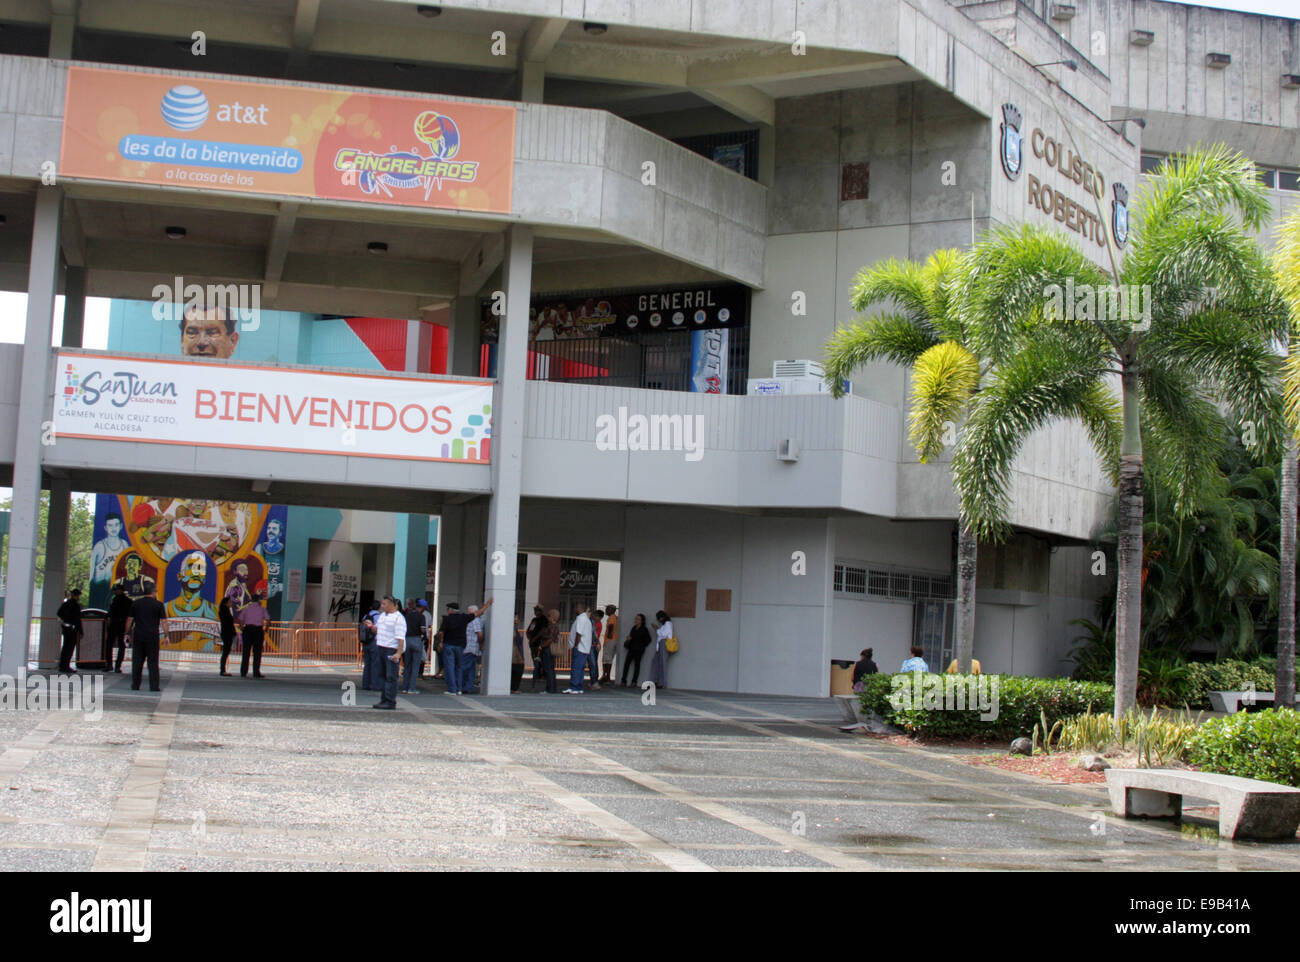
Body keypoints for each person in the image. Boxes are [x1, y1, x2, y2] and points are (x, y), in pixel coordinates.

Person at [125, 591, 167, 692]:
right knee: (153, 662)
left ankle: (135, 685)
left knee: (137, 661)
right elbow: (164, 621)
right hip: (152, 636)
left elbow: (130, 620)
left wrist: (126, 633)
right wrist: (166, 635)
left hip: (139, 635)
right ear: (153, 592)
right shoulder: (159, 605)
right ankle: (154, 686)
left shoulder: (136, 603)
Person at [372, 595, 406, 709]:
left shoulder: (398, 618)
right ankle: (384, 698)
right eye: (382, 604)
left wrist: (398, 653)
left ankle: (390, 700)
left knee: (391, 676)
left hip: (391, 648)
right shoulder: (382, 616)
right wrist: (372, 627)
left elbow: (401, 637)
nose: (382, 606)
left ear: (392, 605)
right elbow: (378, 630)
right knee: (382, 674)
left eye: (384, 604)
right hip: (381, 646)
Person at [461, 600, 495, 694]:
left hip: (470, 648)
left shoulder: (474, 620)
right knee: (471, 669)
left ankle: (462, 686)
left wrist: (481, 644)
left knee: (464, 668)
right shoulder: (479, 620)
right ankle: (468, 687)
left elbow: (479, 634)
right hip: (473, 649)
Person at [436, 602, 470, 694]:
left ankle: (452, 689)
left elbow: (440, 633)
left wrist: (440, 642)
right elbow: (476, 614)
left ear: (450, 610)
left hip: (449, 645)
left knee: (449, 667)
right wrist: (487, 605)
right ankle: (459, 688)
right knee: (459, 667)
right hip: (460, 645)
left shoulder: (447, 619)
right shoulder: (464, 618)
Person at [237, 588, 269, 678]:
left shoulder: (246, 609)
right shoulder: (262, 609)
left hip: (248, 630)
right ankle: (256, 672)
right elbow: (267, 620)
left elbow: (240, 620)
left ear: (251, 600)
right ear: (259, 600)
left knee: (246, 652)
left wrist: (242, 628)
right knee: (257, 652)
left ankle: (243, 672)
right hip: (258, 631)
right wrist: (265, 629)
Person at [564, 602, 593, 694]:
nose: (574, 609)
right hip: (585, 648)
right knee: (580, 668)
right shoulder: (586, 619)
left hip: (579, 647)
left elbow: (578, 633)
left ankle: (574, 687)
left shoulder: (581, 619)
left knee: (576, 668)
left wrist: (575, 645)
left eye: (575, 607)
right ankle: (579, 687)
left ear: (579, 608)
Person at [400, 598, 426, 694]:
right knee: (415, 665)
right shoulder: (421, 616)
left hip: (407, 640)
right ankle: (412, 688)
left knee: (407, 665)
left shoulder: (407, 616)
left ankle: (404, 687)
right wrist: (425, 636)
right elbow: (423, 630)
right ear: (422, 608)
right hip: (416, 640)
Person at [106, 584, 132, 674]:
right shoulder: (127, 601)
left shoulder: (116, 600)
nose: (115, 592)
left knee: (110, 644)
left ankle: (110, 665)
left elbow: (110, 613)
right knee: (120, 645)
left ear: (121, 590)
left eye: (116, 590)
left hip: (116, 624)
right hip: (121, 625)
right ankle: (116, 666)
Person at [56, 588, 84, 674]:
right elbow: (78, 619)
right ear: (76, 596)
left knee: (65, 647)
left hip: (66, 627)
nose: (78, 597)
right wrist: (81, 631)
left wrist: (65, 620)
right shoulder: (75, 605)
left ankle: (62, 665)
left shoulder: (66, 603)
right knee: (70, 648)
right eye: (78, 596)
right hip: (72, 629)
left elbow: (59, 613)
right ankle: (66, 666)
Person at [620, 613, 651, 687]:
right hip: (631, 648)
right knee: (626, 664)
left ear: (642, 621)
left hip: (639, 649)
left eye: (638, 619)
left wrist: (642, 645)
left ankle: (634, 681)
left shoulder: (644, 629)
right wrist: (629, 639)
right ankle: (623, 680)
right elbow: (631, 636)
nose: (636, 620)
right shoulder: (634, 628)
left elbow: (648, 639)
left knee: (637, 665)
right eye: (636, 619)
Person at [650, 611, 673, 690]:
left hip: (664, 643)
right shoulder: (664, 625)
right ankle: (654, 681)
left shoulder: (668, 624)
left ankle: (662, 682)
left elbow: (664, 634)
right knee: (655, 662)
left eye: (660, 618)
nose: (659, 620)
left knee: (663, 663)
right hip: (660, 644)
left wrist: (656, 629)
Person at [360, 603, 380, 691]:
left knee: (367, 664)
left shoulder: (365, 616)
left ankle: (365, 684)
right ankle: (374, 685)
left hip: (366, 642)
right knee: (375, 664)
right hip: (374, 641)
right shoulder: (379, 616)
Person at [526, 604, 547, 691]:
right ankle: (537, 674)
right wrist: (529, 635)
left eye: (537, 610)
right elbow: (530, 629)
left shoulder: (544, 619)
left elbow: (543, 631)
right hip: (533, 643)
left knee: (540, 660)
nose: (535, 612)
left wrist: (535, 638)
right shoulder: (534, 620)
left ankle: (542, 675)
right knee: (535, 659)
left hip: (539, 643)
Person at [541, 609, 561, 694]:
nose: (547, 617)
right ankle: (552, 688)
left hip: (548, 648)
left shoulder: (552, 626)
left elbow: (550, 638)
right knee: (550, 669)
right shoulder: (554, 626)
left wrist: (543, 645)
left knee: (548, 669)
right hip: (550, 648)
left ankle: (550, 688)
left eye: (549, 616)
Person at [218, 596, 238, 677]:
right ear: (226, 603)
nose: (231, 603)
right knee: (225, 652)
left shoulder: (223, 611)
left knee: (226, 652)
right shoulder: (225, 611)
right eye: (230, 601)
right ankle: (223, 670)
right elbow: (229, 623)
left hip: (226, 632)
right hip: (227, 633)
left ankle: (223, 669)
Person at [599, 604, 619, 685]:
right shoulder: (615, 617)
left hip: (610, 640)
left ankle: (606, 677)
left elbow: (611, 626)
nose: (606, 610)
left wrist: (609, 635)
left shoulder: (611, 617)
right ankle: (606, 676)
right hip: (614, 639)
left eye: (607, 609)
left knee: (607, 659)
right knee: (608, 658)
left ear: (611, 610)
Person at [588, 608, 604, 690]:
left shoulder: (597, 624)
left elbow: (595, 635)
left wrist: (597, 643)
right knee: (593, 664)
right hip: (593, 645)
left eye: (595, 615)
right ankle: (593, 681)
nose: (593, 616)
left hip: (594, 645)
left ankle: (594, 681)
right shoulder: (595, 623)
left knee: (593, 664)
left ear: (599, 617)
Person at [511, 615, 527, 693]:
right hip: (514, 652)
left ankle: (514, 687)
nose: (517, 620)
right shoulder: (512, 629)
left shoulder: (515, 629)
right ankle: (514, 687)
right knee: (517, 668)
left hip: (517, 652)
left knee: (518, 668)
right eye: (515, 618)